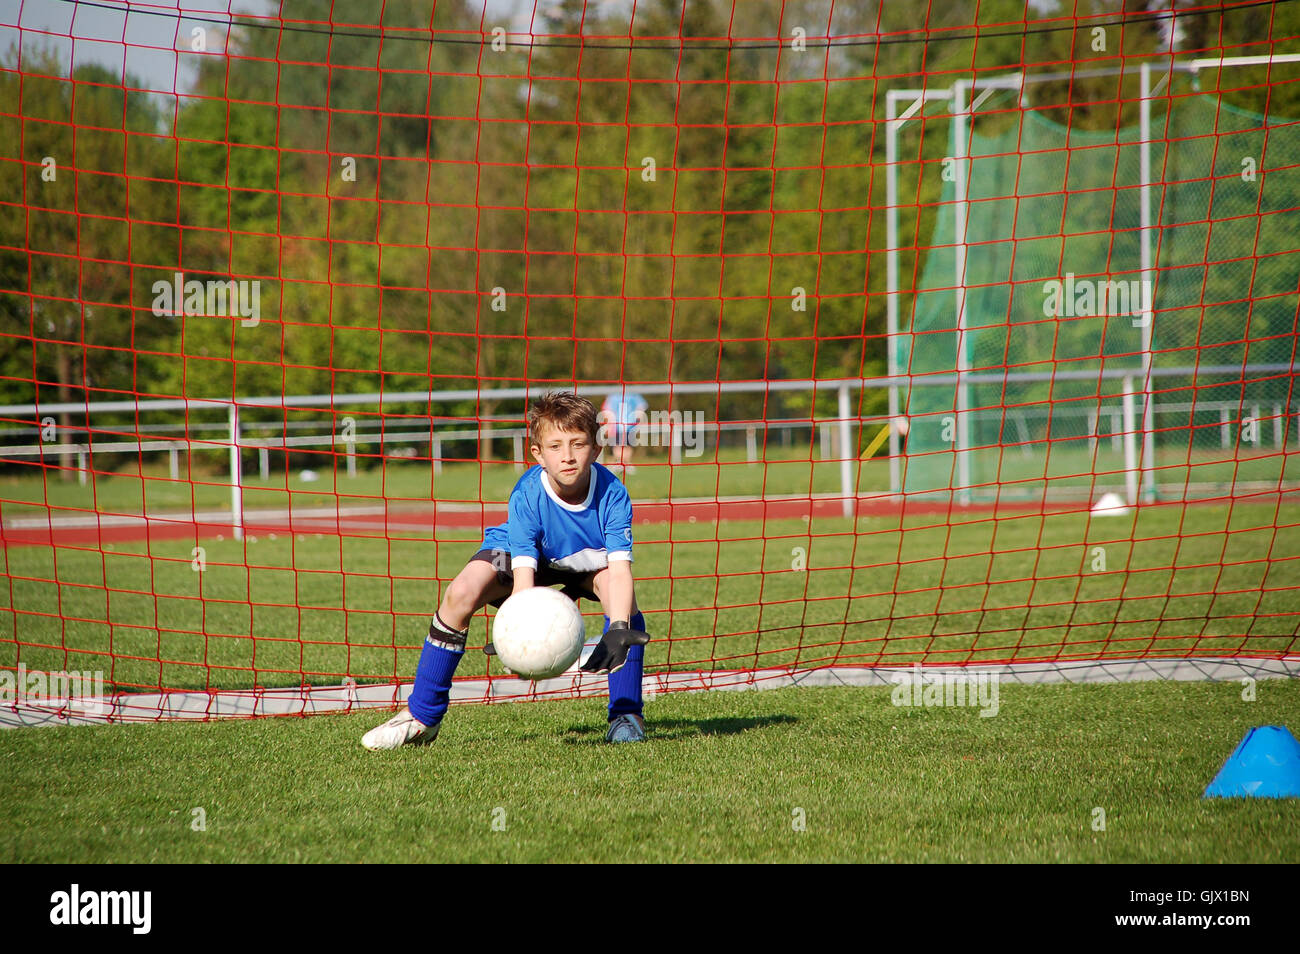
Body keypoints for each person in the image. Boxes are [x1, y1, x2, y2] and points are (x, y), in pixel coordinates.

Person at [362, 392, 650, 749]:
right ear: (538, 454)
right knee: (461, 592)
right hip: (521, 555)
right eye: (556, 446)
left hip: (581, 562)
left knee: (623, 602)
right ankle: (422, 716)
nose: (568, 455)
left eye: (578, 444)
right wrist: (518, 631)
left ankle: (626, 715)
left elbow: (621, 570)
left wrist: (620, 628)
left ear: (596, 448)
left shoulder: (612, 493)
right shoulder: (528, 493)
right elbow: (524, 576)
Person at [600, 389, 649, 470]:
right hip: (622, 425)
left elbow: (606, 410)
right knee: (622, 445)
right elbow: (642, 407)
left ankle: (624, 464)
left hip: (623, 426)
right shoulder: (633, 395)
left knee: (621, 445)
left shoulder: (614, 396)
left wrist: (608, 423)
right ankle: (622, 464)